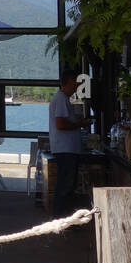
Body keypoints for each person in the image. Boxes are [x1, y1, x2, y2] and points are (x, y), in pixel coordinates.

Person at [49, 68, 90, 217]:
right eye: (75, 83)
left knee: (67, 184)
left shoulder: (64, 99)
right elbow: (60, 124)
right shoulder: (61, 99)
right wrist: (81, 124)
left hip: (67, 148)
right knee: (65, 185)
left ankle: (62, 217)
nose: (77, 86)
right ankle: (61, 218)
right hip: (65, 149)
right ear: (67, 82)